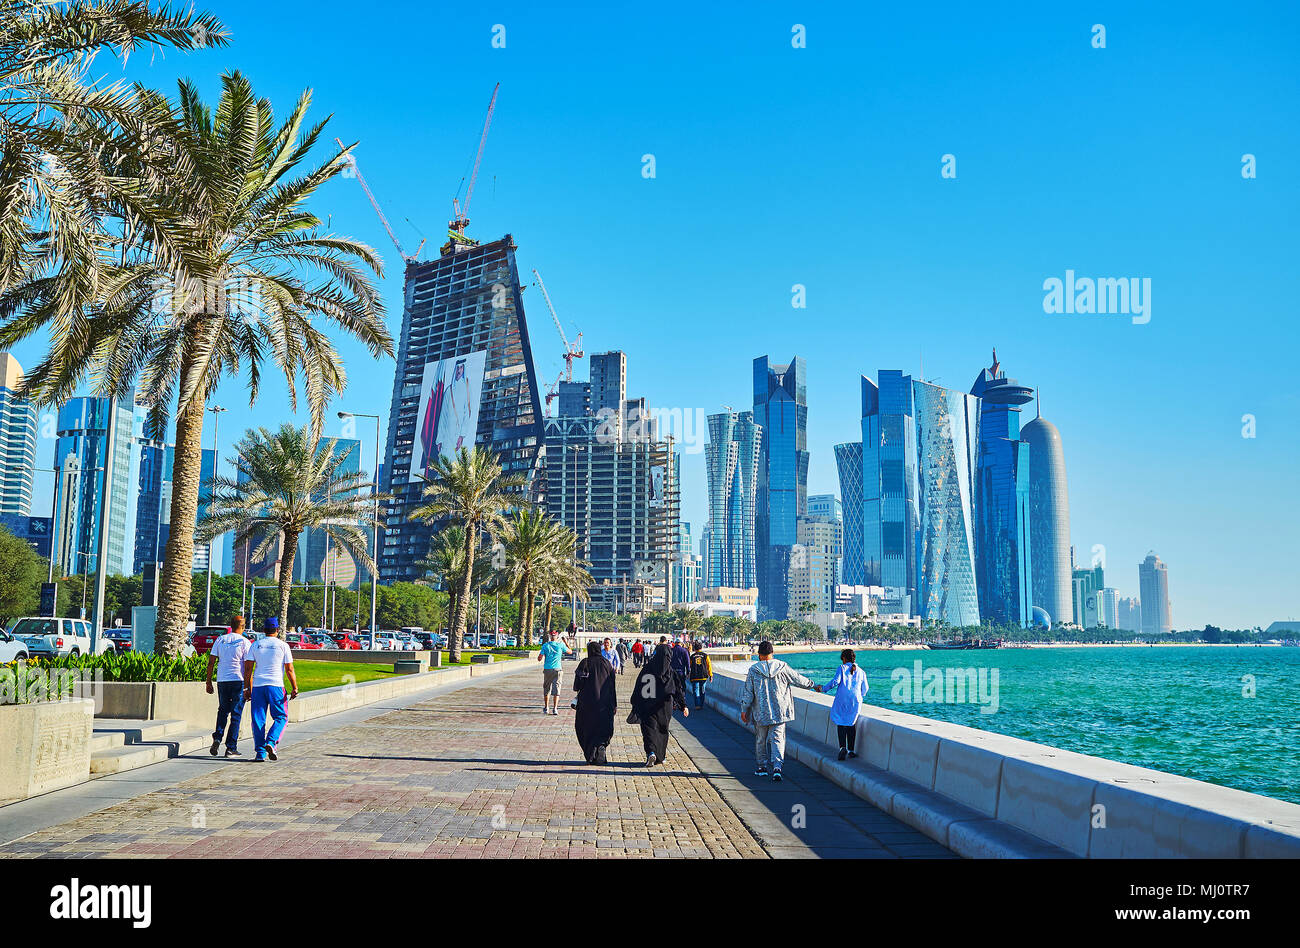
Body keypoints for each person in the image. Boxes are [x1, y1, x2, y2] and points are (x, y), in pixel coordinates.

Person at [738, 640, 817, 781]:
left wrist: (744, 709)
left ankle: (762, 767)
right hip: (780, 711)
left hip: (760, 712)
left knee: (760, 740)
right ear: (772, 653)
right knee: (778, 739)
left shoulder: (754, 670)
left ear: (759, 655)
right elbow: (798, 679)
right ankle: (777, 768)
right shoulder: (782, 666)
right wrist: (813, 685)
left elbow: (748, 693)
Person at [242, 617, 298, 763]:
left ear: (264, 630)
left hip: (259, 686)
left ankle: (260, 753)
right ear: (277, 630)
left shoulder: (256, 645)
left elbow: (248, 668)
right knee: (281, 717)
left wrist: (246, 687)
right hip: (276, 686)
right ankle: (271, 742)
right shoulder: (283, 646)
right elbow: (289, 669)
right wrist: (294, 687)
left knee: (258, 719)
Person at [630, 642, 688, 767]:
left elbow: (638, 687)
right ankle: (660, 756)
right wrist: (683, 705)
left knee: (649, 730)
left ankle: (651, 752)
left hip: (647, 705)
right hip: (664, 707)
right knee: (662, 730)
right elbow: (678, 689)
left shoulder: (646, 669)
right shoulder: (670, 672)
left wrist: (635, 702)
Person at [205, 616, 249, 758]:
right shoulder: (245, 642)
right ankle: (231, 747)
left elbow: (211, 662)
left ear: (230, 625)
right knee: (236, 714)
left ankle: (218, 737)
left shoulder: (220, 639)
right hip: (238, 680)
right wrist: (249, 688)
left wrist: (208, 682)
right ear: (242, 627)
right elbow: (248, 668)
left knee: (223, 710)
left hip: (222, 680)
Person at [820, 649, 870, 760]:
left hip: (842, 699)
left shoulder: (842, 668)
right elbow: (865, 688)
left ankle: (842, 747)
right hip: (855, 700)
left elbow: (835, 682)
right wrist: (859, 696)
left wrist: (823, 689)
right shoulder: (861, 671)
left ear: (844, 658)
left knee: (841, 722)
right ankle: (851, 751)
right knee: (851, 723)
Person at [572, 642, 617, 764]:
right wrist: (614, 704)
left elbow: (577, 685)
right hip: (605, 702)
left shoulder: (585, 663)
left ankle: (591, 754)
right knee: (602, 726)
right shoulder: (607, 663)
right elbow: (613, 685)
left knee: (586, 727)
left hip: (587, 703)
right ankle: (601, 746)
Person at [537, 629, 574, 715]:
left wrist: (541, 657)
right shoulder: (561, 645)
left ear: (550, 636)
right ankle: (555, 708)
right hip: (558, 669)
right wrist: (566, 642)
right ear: (557, 636)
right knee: (556, 689)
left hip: (547, 669)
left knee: (547, 688)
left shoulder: (545, 645)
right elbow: (570, 651)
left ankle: (546, 708)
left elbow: (539, 658)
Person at [688, 641, 713, 710]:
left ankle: (697, 705)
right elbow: (709, 666)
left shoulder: (692, 656)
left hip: (694, 676)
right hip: (703, 676)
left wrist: (687, 674)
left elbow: (689, 666)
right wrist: (710, 675)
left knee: (696, 691)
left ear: (694, 648)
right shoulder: (705, 656)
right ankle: (701, 704)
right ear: (701, 647)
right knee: (702, 691)